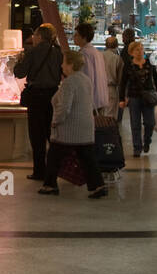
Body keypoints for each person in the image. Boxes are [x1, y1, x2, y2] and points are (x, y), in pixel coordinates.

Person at [39, 50, 107, 198]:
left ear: (70, 64)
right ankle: (98, 185)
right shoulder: (85, 79)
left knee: (54, 156)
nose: (61, 65)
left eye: (64, 62)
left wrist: (56, 121)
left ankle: (50, 185)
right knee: (87, 157)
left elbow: (65, 107)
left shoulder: (69, 82)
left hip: (69, 129)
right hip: (86, 127)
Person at [15, 23, 63, 180]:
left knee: (37, 135)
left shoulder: (32, 52)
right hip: (53, 95)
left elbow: (20, 73)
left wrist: (18, 60)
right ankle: (55, 169)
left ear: (40, 37)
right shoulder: (58, 52)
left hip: (36, 96)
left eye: (35, 35)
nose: (33, 38)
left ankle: (39, 171)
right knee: (52, 133)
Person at [119, 40, 157, 156]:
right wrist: (122, 99)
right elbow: (123, 83)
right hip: (134, 97)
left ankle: (147, 141)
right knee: (135, 124)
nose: (140, 51)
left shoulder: (149, 63)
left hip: (148, 97)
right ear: (131, 52)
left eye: (141, 49)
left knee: (150, 122)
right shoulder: (128, 66)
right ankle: (137, 148)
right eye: (137, 50)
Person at [71, 22, 108, 113]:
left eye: (76, 35)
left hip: (91, 101)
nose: (73, 37)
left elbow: (87, 78)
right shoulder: (95, 52)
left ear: (84, 37)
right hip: (99, 97)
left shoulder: (84, 54)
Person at [101, 35, 123, 116]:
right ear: (117, 45)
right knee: (110, 114)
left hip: (99, 88)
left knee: (100, 114)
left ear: (105, 45)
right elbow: (120, 78)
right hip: (111, 88)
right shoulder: (117, 59)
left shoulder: (99, 56)